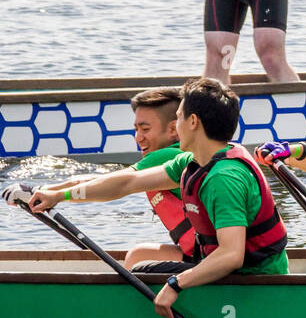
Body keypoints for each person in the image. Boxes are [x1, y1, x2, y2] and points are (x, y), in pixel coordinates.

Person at [26, 78, 288, 318]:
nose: (178, 125)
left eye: (179, 117)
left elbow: (231, 255)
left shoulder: (224, 179)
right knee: (139, 262)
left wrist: (177, 283)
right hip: (230, 271)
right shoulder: (192, 162)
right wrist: (61, 195)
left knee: (138, 275)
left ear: (193, 122)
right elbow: (126, 184)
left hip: (254, 281)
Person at [46, 87, 196, 270]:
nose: (138, 138)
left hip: (207, 258)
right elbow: (104, 179)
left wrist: (58, 196)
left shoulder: (166, 156)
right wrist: (50, 191)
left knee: (137, 258)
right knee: (140, 254)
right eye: (136, 129)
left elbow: (119, 184)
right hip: (203, 251)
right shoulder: (183, 154)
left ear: (173, 129)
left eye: (145, 129)